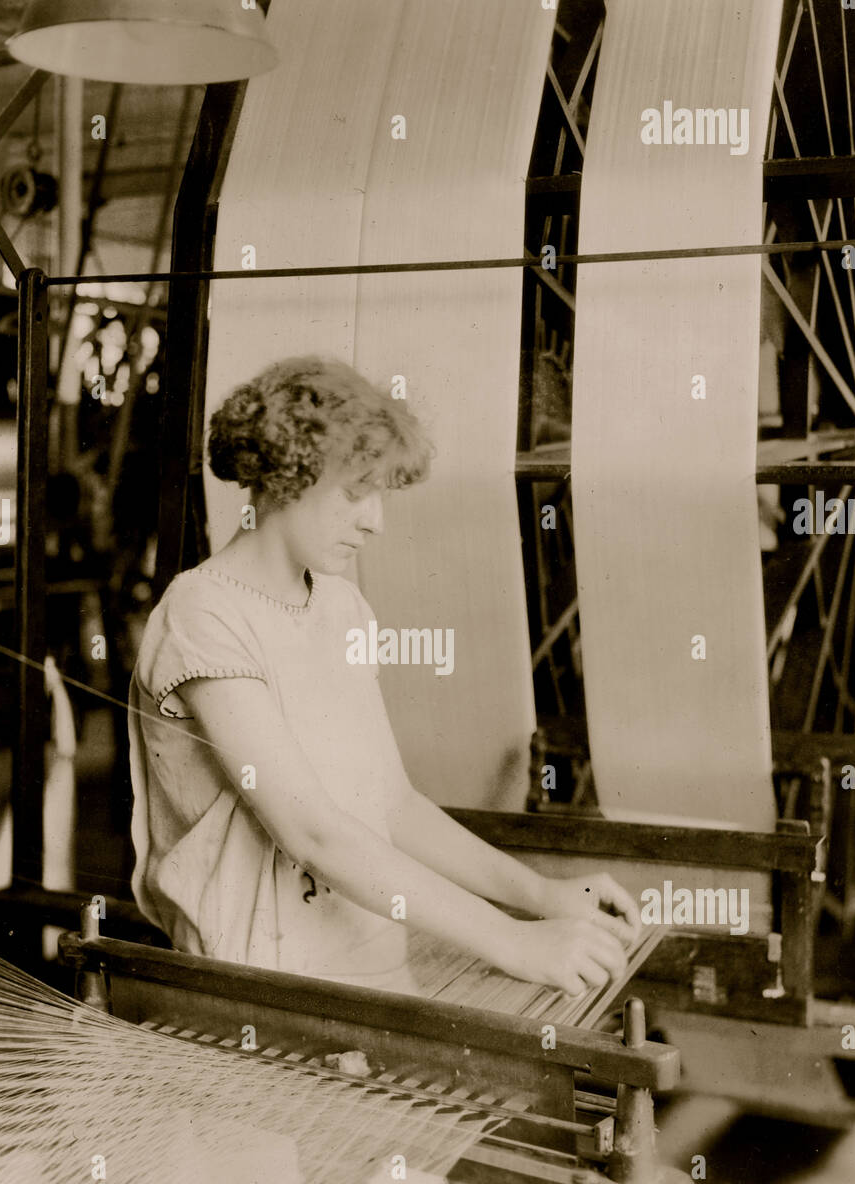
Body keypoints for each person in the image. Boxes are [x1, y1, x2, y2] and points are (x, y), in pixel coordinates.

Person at [127, 356, 640, 997]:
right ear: (288, 473)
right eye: (355, 491)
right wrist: (511, 939)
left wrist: (541, 897)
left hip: (367, 960)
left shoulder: (341, 606)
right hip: (261, 985)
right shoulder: (202, 613)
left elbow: (390, 804)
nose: (376, 520)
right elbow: (311, 831)